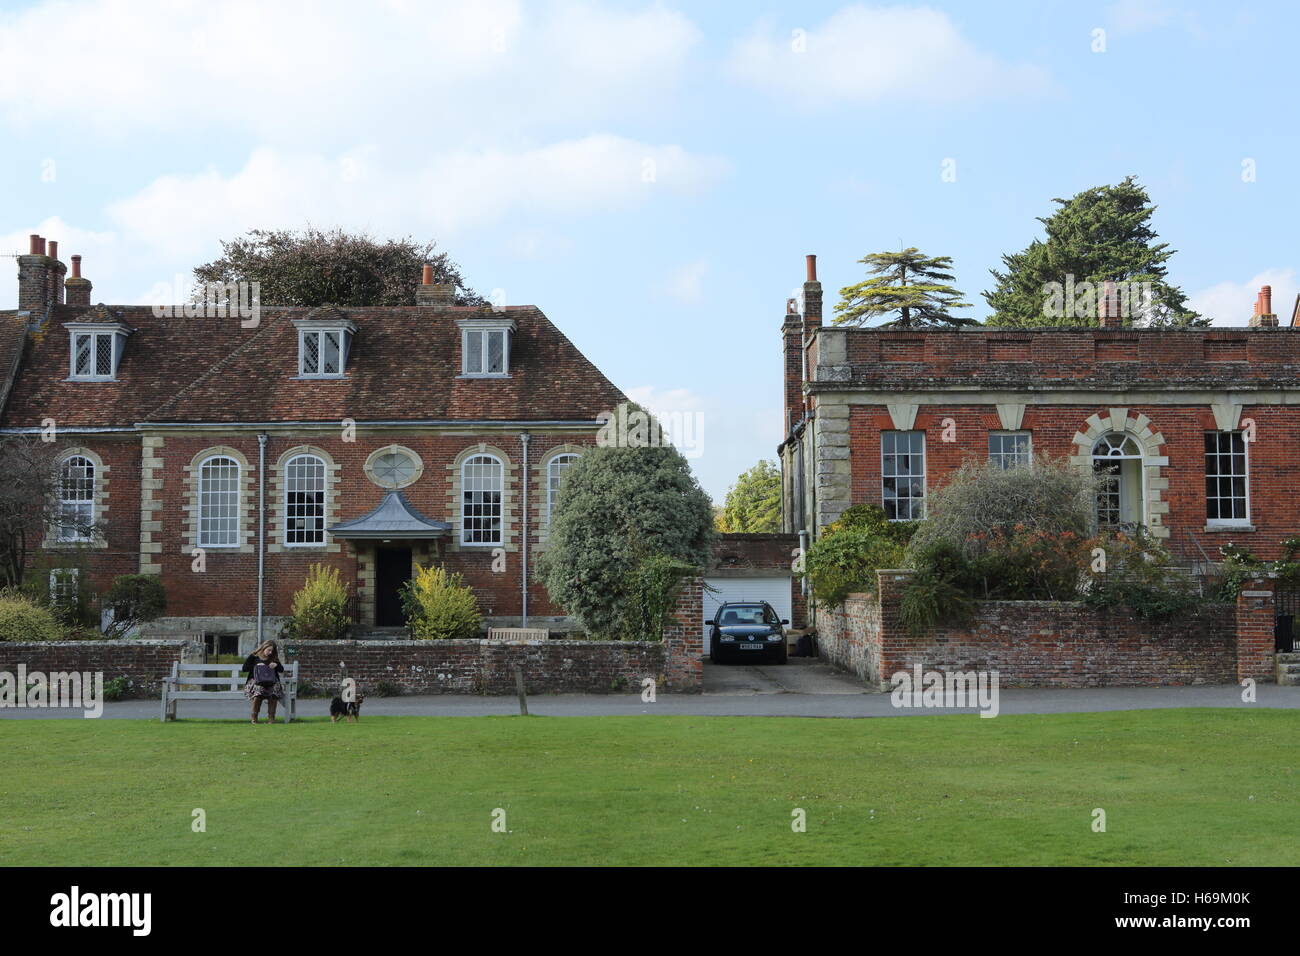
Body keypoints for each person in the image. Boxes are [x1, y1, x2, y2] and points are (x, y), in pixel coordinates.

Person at [242, 640, 285, 724]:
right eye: (269, 650)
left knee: (275, 690)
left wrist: (276, 665)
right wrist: (256, 666)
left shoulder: (273, 658)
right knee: (259, 690)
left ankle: (271, 718)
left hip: (271, 682)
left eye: (272, 651)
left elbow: (281, 670)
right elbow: (244, 668)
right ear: (263, 648)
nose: (270, 652)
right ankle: (254, 717)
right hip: (256, 682)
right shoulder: (254, 656)